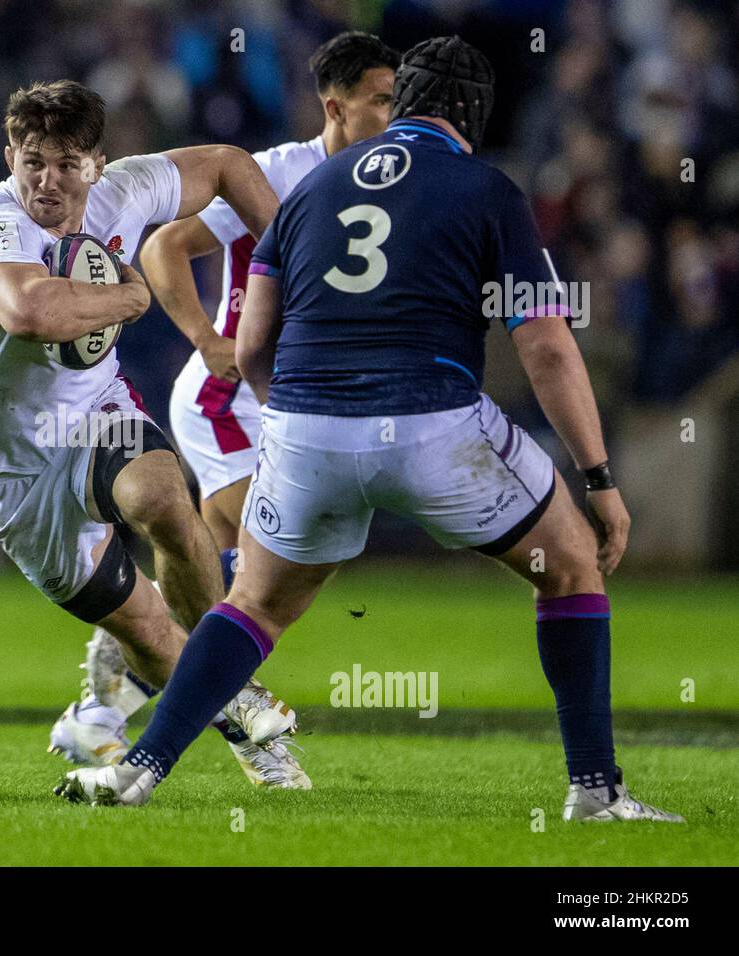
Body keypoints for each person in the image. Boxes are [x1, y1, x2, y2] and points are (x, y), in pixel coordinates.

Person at [57, 37, 683, 823]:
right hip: (433, 423)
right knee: (572, 568)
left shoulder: (311, 191)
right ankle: (596, 790)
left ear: (404, 102)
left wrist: (285, 420)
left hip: (304, 426)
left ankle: (139, 768)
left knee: (250, 604)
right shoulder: (487, 190)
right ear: (472, 116)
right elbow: (549, 346)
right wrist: (600, 478)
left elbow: (253, 344)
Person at [51, 30, 399, 790]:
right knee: (273, 565)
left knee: (230, 576)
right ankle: (246, 732)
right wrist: (207, 337)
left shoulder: (390, 182)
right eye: (381, 99)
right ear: (336, 106)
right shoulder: (281, 171)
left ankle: (105, 706)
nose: (393, 111)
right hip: (230, 400)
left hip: (304, 405)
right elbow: (162, 249)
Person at [0, 80, 303, 787]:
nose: (47, 181)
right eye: (33, 160)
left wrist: (295, 259)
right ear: (9, 154)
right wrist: (132, 297)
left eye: (67, 163)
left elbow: (229, 164)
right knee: (152, 639)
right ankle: (227, 707)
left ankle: (243, 703)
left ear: (98, 164)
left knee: (165, 500)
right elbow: (29, 313)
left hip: (99, 411)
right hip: (12, 469)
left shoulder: (126, 192)